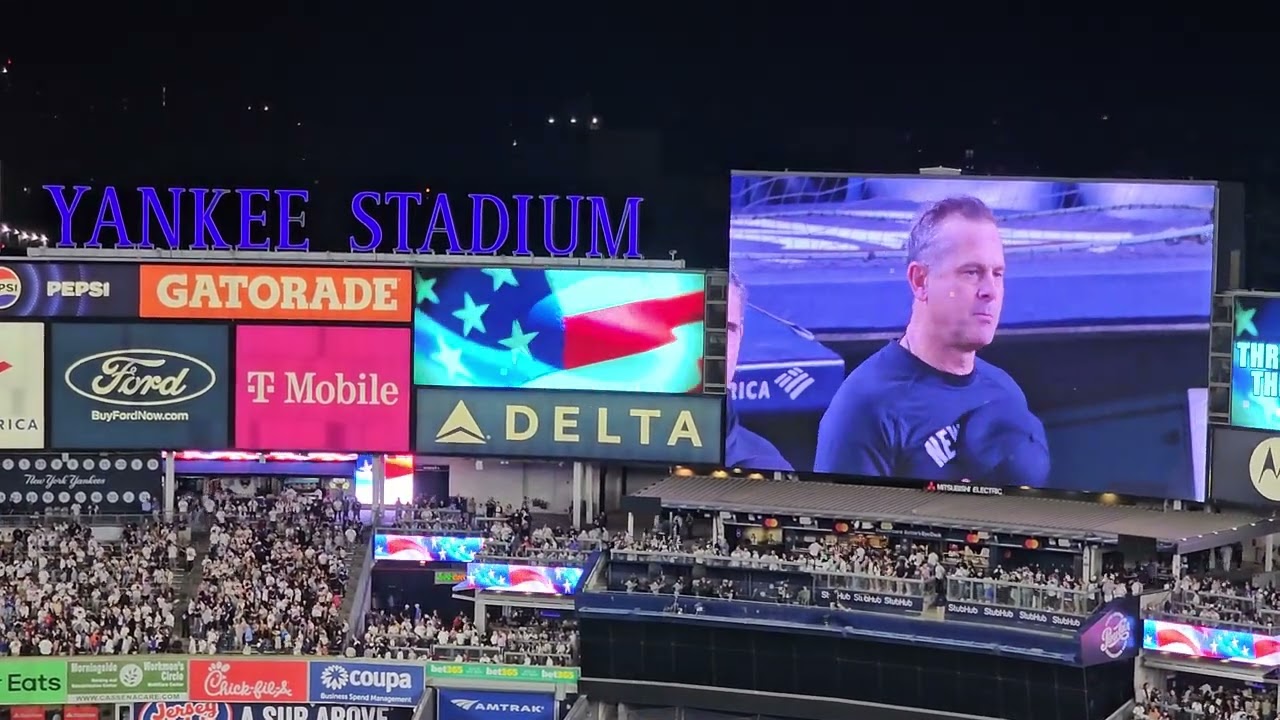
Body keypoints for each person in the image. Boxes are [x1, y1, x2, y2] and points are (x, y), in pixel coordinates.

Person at [813, 195, 1050, 486]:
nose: (990, 290)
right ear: (920, 281)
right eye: (972, 272)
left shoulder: (1004, 390)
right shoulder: (865, 409)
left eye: (997, 274)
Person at [723, 272, 793, 471]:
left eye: (726, 328)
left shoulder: (767, 464)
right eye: (699, 326)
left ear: (740, 336)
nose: (714, 345)